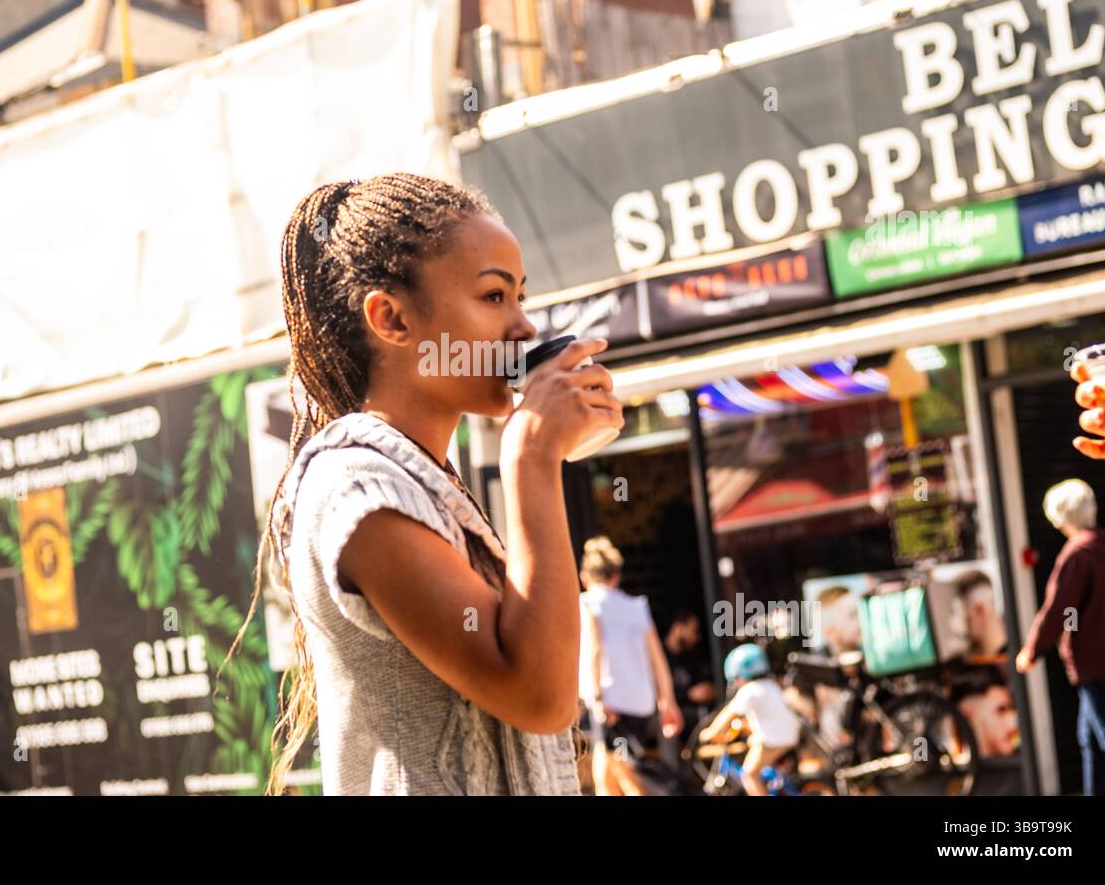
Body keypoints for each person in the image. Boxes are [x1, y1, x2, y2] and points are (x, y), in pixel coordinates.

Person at [218, 174, 623, 795]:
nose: (524, 327)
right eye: (494, 297)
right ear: (391, 318)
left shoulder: (422, 480)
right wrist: (532, 456)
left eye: (521, 297)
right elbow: (540, 697)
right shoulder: (356, 485)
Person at [1016, 479, 1105, 795]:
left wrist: (1031, 650)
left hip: (1095, 661)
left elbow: (1059, 610)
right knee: (1090, 740)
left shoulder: (1077, 556)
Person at [577, 536, 682, 795]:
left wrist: (597, 697)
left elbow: (594, 650)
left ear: (584, 575)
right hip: (639, 704)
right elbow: (657, 659)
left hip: (611, 705)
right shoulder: (637, 607)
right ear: (616, 576)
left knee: (627, 776)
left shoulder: (589, 604)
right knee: (605, 772)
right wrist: (667, 701)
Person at [699, 642, 802, 796]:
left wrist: (710, 732)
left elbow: (729, 713)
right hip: (788, 734)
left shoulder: (749, 690)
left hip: (773, 739)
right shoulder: (770, 685)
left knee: (749, 775)